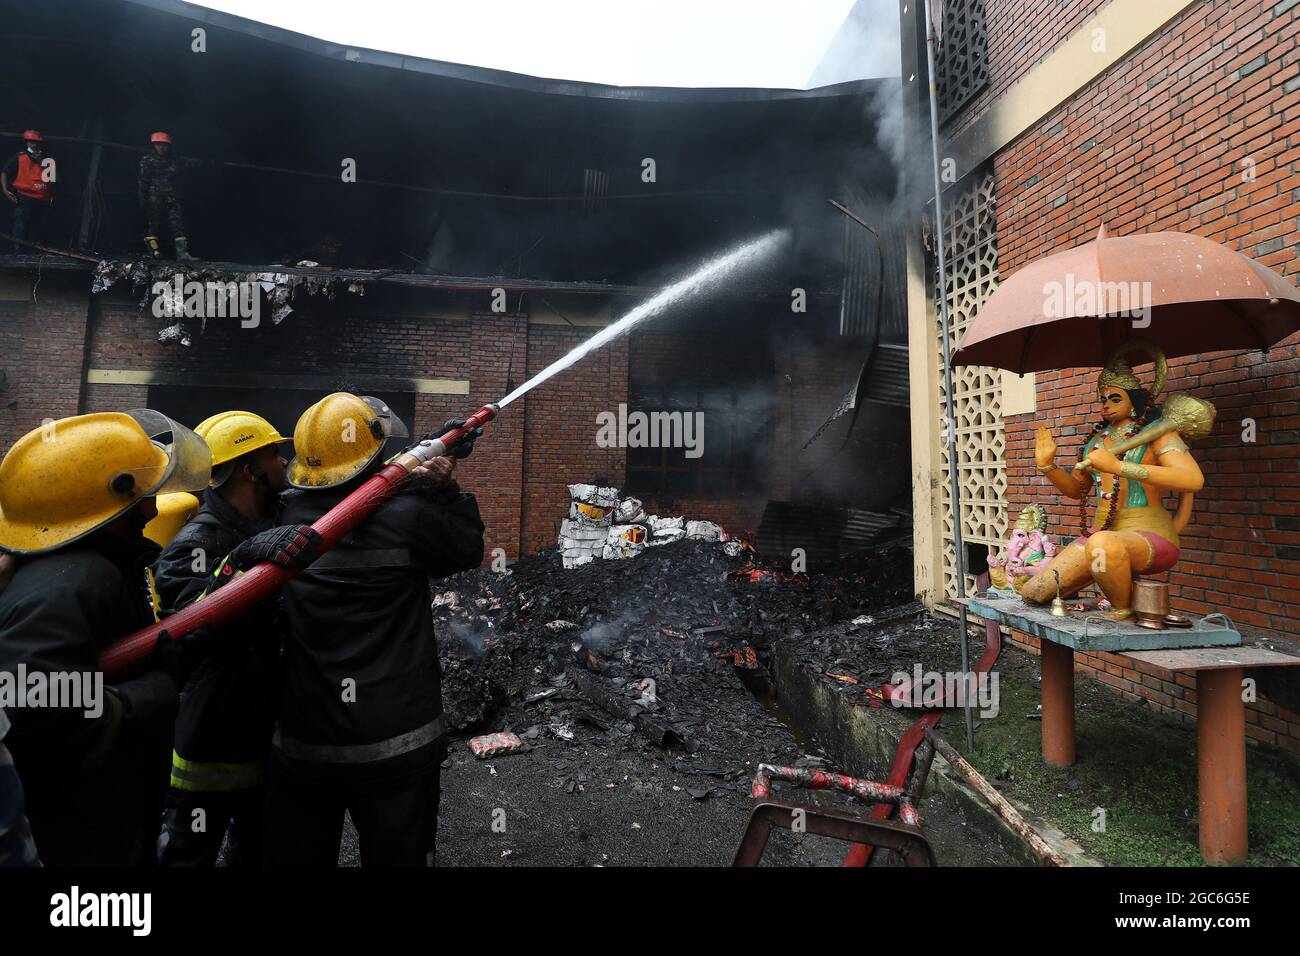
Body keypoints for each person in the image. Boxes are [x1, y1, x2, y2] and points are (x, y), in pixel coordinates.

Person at [264, 393, 483, 866]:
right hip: (397, 743)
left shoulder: (281, 519)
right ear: (375, 452)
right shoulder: (410, 518)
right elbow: (466, 551)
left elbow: (362, 492)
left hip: (306, 739)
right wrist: (444, 490)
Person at [0, 410, 212, 865]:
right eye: (143, 496)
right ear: (113, 497)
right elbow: (36, 709)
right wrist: (156, 689)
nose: (153, 508)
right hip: (79, 839)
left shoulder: (92, 568)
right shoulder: (75, 583)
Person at [154, 411, 317, 867]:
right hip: (212, 739)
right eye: (273, 455)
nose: (283, 462)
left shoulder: (270, 518)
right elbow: (191, 628)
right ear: (249, 469)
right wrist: (237, 563)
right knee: (188, 853)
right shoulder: (195, 544)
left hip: (265, 731)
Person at [1023, 340, 1207, 619]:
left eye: (1115, 398)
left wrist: (1119, 467)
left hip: (1151, 536)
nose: (1106, 405)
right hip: (1100, 537)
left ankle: (1124, 608)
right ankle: (1115, 589)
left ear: (1135, 400)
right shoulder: (1097, 441)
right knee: (1034, 591)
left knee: (1103, 545)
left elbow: (1192, 480)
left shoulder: (1159, 434)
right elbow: (1078, 490)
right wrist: (1048, 467)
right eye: (1103, 399)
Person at [138, 131, 192, 260]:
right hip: (154, 197)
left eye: (164, 145)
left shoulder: (175, 160)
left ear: (169, 146)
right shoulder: (147, 160)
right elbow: (143, 180)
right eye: (158, 144)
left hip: (172, 197)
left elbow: (188, 167)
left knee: (177, 223)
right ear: (154, 145)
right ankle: (154, 252)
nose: (162, 147)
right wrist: (142, 198)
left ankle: (182, 254)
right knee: (153, 224)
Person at [2, 130, 54, 250]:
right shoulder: (20, 157)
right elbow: (5, 171)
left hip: (44, 198)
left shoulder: (48, 159)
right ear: (27, 143)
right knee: (21, 224)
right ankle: (17, 251)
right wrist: (5, 190)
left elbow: (55, 179)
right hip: (25, 196)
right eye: (32, 142)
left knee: (40, 226)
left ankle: (37, 252)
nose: (35, 145)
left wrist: (41, 161)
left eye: (37, 142)